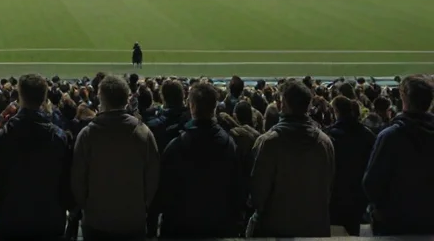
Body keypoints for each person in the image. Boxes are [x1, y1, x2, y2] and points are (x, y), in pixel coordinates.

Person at [0, 74, 72, 241]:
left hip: (9, 224)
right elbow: (67, 185)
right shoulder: (59, 138)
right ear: (44, 97)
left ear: (19, 97)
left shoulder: (3, 136)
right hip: (49, 224)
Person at [72, 74, 159, 241]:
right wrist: (141, 207)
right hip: (132, 220)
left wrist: (88, 208)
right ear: (127, 99)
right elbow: (152, 178)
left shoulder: (87, 135)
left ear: (100, 99)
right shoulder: (143, 133)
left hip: (97, 221)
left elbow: (77, 180)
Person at [249, 79, 335, 238]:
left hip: (277, 229)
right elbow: (328, 189)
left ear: (284, 105)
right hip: (315, 228)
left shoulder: (269, 143)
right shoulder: (325, 142)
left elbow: (257, 195)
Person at [156, 82, 243, 238]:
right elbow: (237, 192)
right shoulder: (230, 145)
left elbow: (163, 193)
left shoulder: (175, 147)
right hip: (218, 227)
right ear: (214, 108)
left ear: (192, 106)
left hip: (182, 228)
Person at [363, 74, 434, 235]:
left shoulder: (390, 136)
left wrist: (381, 209)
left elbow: (371, 183)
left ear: (403, 97)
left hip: (394, 222)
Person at [326, 95, 375, 235]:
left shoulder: (329, 135)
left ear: (335, 111)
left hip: (336, 192)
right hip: (358, 192)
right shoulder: (367, 134)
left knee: (334, 231)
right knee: (353, 229)